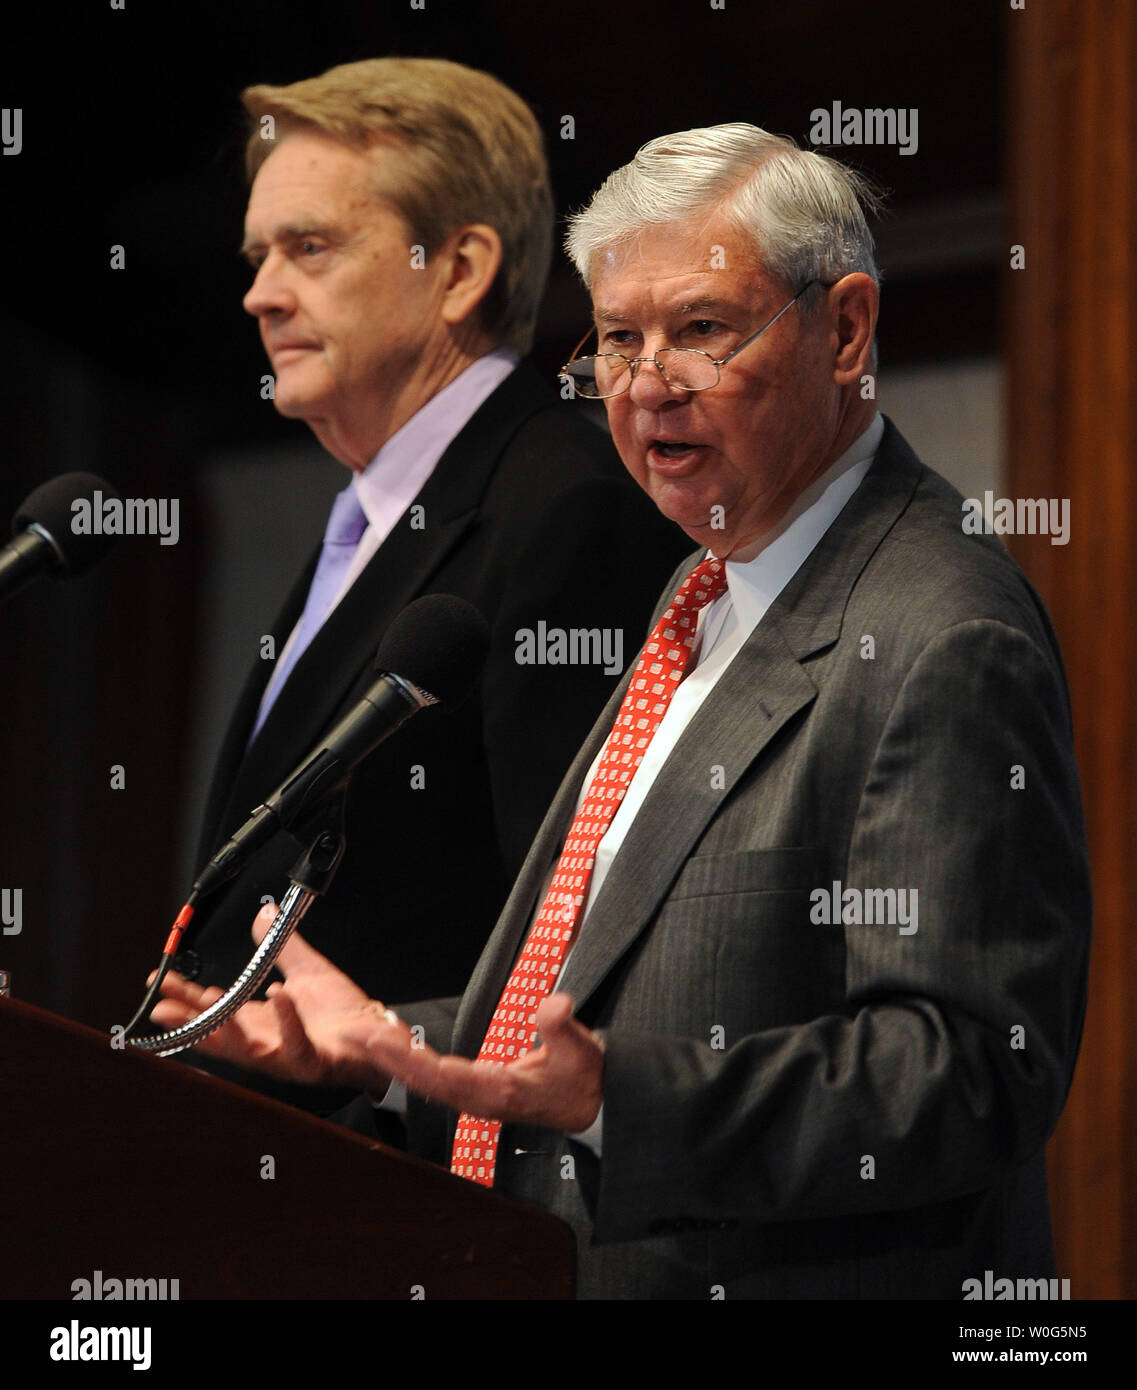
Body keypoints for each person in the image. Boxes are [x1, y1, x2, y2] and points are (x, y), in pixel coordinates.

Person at [155, 123, 1091, 1299]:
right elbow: (604, 987)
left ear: (845, 329)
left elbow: (971, 1071)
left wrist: (622, 1100)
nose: (646, 388)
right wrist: (395, 1047)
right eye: (615, 340)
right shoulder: (704, 580)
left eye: (701, 330)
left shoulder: (939, 631)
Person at [173, 58, 688, 1115]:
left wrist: (389, 1058)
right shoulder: (362, 521)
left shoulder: (567, 511)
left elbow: (581, 954)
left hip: (413, 1210)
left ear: (458, 268)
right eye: (259, 254)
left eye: (309, 247)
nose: (260, 292)